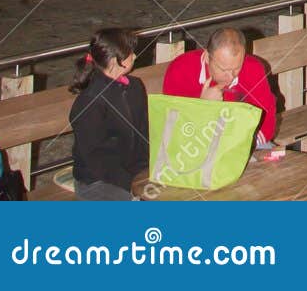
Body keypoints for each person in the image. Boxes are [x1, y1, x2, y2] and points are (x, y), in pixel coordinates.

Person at [68, 28, 149, 200]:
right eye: (130, 53)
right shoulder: (90, 102)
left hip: (134, 171)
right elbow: (97, 158)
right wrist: (131, 184)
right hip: (97, 182)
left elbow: (144, 132)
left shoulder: (134, 86)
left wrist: (148, 169)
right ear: (115, 61)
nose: (135, 56)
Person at [162, 27, 277, 145]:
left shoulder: (253, 68)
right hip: (193, 146)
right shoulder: (181, 69)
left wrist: (244, 145)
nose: (230, 76)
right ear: (207, 57)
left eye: (236, 68)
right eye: (223, 69)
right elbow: (173, 127)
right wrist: (202, 105)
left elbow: (267, 118)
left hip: (242, 143)